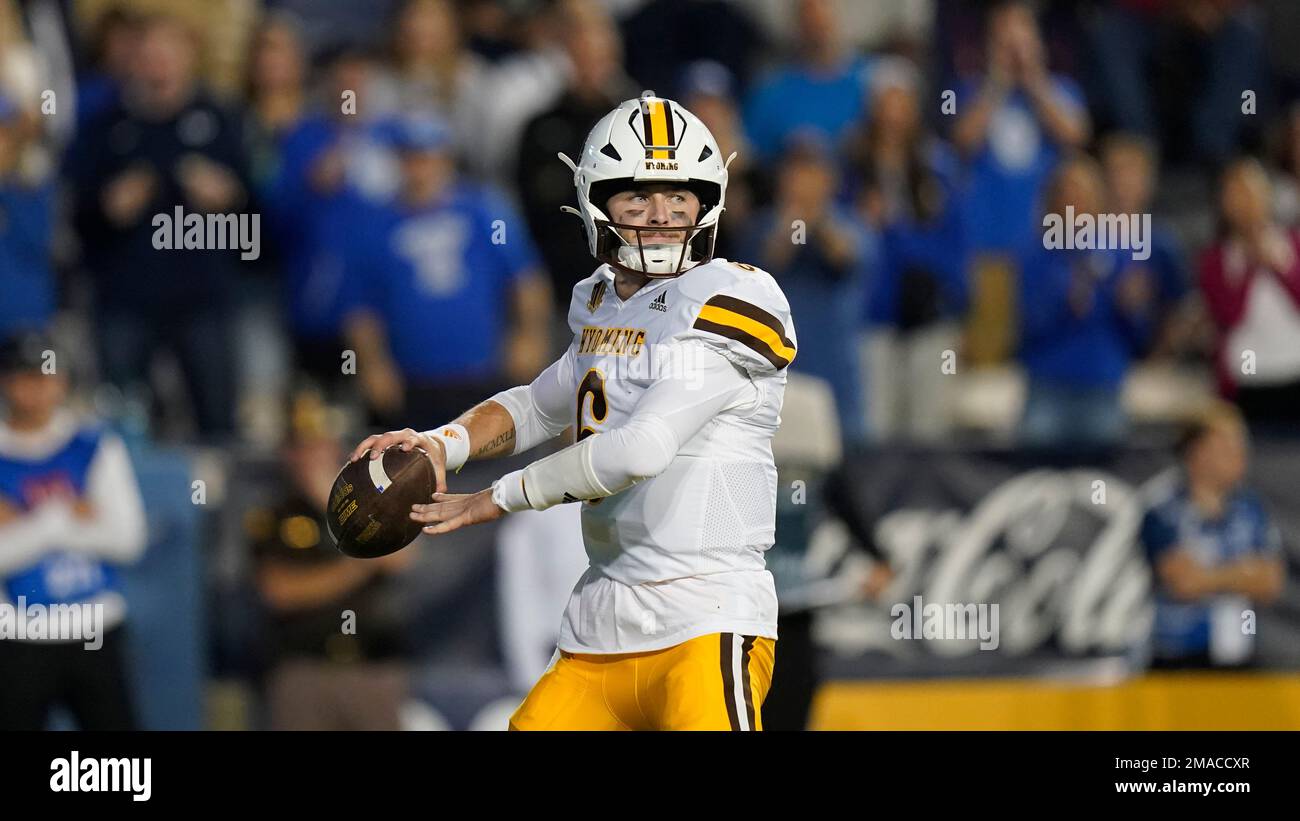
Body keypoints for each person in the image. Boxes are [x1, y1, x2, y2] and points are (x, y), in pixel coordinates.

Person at [349, 93, 796, 730]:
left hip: (705, 617)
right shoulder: (600, 301)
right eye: (636, 197)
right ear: (597, 204)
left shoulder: (730, 294)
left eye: (679, 196)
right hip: (601, 625)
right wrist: (439, 444)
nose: (661, 216)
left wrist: (498, 496)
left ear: (708, 202)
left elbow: (642, 449)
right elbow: (538, 404)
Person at [66, 13, 251, 440]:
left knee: (219, 422)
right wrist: (108, 206)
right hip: (125, 302)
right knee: (124, 422)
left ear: (191, 56)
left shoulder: (221, 118)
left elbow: (257, 212)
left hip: (204, 300)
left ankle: (216, 503)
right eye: (148, 54)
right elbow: (78, 216)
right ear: (132, 59)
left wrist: (229, 196)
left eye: (169, 52)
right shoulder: (105, 126)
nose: (158, 64)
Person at [343, 111, 552, 427]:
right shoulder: (376, 225)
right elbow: (361, 308)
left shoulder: (483, 211)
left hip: (484, 372)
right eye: (410, 158)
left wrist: (530, 335)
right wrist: (372, 365)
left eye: (426, 157)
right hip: (412, 380)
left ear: (445, 160)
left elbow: (524, 278)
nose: (419, 168)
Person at [0, 329, 148, 730]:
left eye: (47, 375)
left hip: (96, 628)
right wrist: (70, 513)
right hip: (19, 635)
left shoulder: (95, 445)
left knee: (119, 773)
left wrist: (33, 520)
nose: (37, 388)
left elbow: (127, 540)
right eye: (24, 376)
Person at [249, 392, 413, 730]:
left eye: (324, 445)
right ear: (289, 454)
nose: (317, 456)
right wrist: (360, 565)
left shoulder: (367, 506)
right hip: (305, 667)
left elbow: (402, 558)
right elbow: (280, 591)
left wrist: (334, 500)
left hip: (371, 665)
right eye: (307, 447)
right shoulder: (275, 516)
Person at [1018, 154, 1155, 449]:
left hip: (1101, 387)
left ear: (1098, 200)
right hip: (1048, 386)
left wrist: (1132, 308)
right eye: (1068, 193)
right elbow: (1026, 327)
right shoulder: (1035, 255)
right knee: (1035, 469)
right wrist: (1066, 302)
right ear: (1053, 200)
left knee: (1105, 476)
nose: (1076, 203)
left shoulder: (1121, 251)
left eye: (1083, 194)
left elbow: (1138, 334)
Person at [1141, 402, 1285, 669]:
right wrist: (1242, 572)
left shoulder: (1250, 507)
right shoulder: (1163, 505)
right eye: (1227, 447)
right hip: (1176, 657)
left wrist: (1210, 576)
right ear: (1197, 452)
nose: (1239, 456)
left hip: (1237, 654)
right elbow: (1185, 582)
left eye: (1241, 446)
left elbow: (1270, 582)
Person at [1199, 158, 1300, 429]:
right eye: (1236, 194)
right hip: (1246, 379)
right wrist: (1252, 266)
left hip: (1294, 370)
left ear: (1268, 196)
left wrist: (1281, 269)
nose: (1246, 203)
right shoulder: (1215, 258)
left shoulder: (1293, 243)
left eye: (1252, 192)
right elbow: (1228, 316)